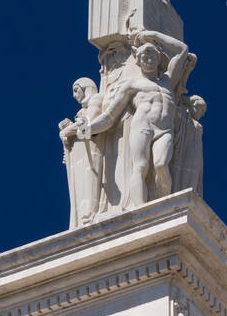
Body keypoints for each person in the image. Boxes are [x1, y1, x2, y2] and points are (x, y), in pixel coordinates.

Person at [80, 29, 189, 208]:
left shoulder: (168, 81)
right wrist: (90, 128)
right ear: (137, 60)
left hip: (165, 129)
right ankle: (140, 209)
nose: (148, 58)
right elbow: (109, 117)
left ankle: (163, 206)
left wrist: (152, 35)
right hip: (142, 125)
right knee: (140, 166)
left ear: (159, 58)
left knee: (161, 165)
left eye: (151, 54)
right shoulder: (132, 84)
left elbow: (182, 50)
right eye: (143, 56)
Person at [58, 78, 103, 227]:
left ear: (86, 88)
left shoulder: (97, 99)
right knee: (81, 186)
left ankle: (89, 215)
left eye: (76, 90)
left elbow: (87, 124)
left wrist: (67, 131)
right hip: (82, 153)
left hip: (93, 150)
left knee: (90, 181)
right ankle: (84, 216)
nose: (74, 95)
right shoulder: (82, 110)